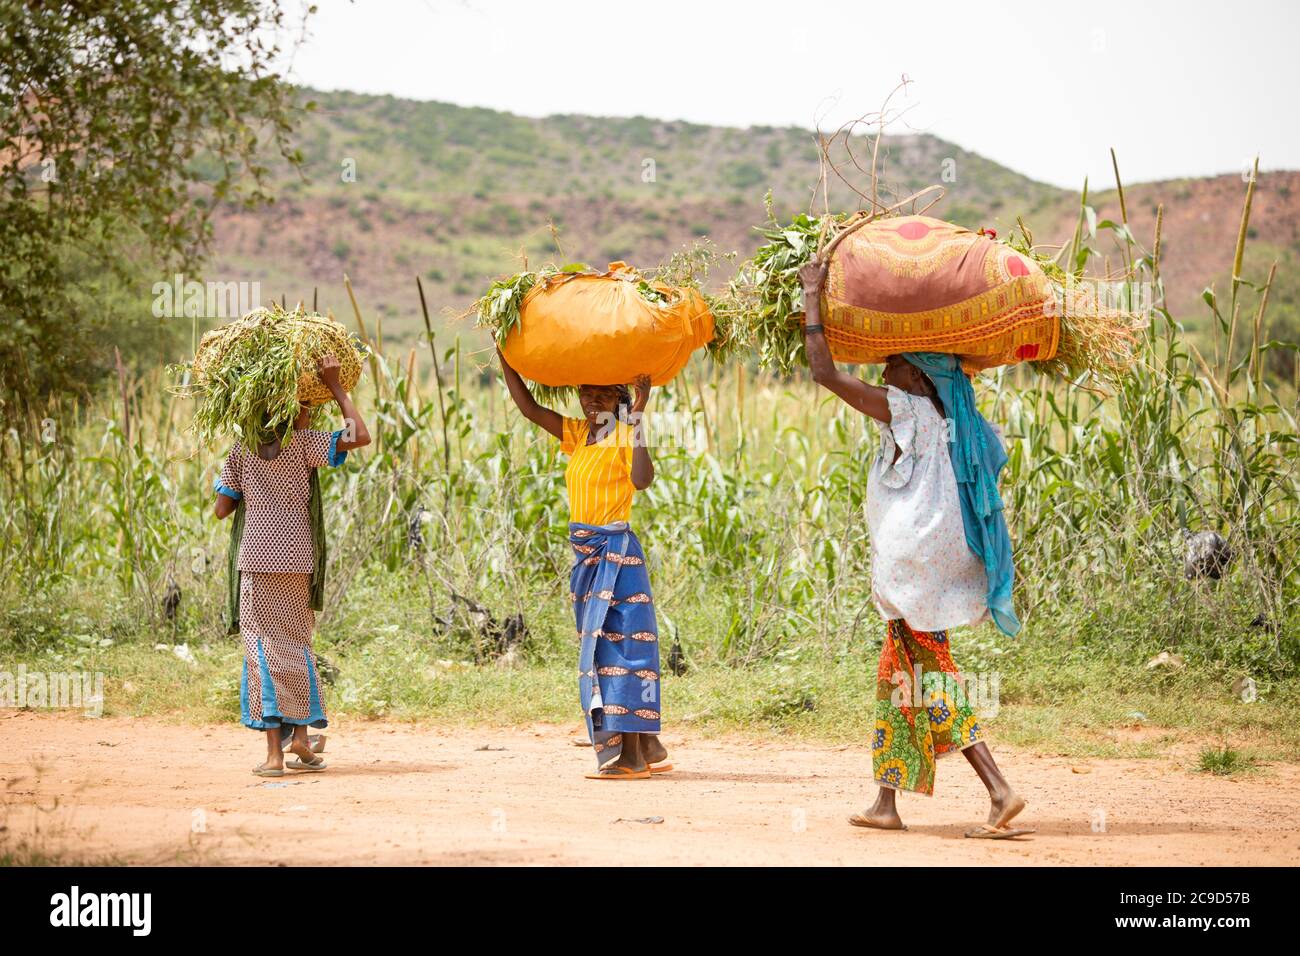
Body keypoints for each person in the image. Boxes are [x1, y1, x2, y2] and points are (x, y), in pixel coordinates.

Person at [799, 259, 1031, 839]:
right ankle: (887, 800)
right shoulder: (960, 424)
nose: (886, 369)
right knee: (900, 677)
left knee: (933, 679)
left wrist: (811, 297)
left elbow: (825, 373)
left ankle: (999, 789)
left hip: (914, 569)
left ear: (921, 376)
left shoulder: (911, 410)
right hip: (932, 567)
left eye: (896, 364)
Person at [497, 349, 670, 780]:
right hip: (587, 558)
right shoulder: (577, 434)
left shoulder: (621, 434)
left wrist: (639, 415)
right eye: (586, 392)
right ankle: (645, 746)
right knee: (606, 649)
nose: (593, 401)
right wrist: (505, 357)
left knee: (621, 649)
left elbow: (643, 481)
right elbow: (529, 408)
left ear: (619, 399)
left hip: (616, 558)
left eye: (604, 394)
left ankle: (631, 758)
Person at [214, 355, 371, 777]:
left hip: (257, 560)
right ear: (291, 411)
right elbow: (360, 436)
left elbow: (222, 509)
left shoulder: (241, 451)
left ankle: (273, 755)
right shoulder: (303, 446)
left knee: (262, 650)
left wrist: (242, 488)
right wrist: (337, 387)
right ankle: (300, 735)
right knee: (296, 645)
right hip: (297, 559)